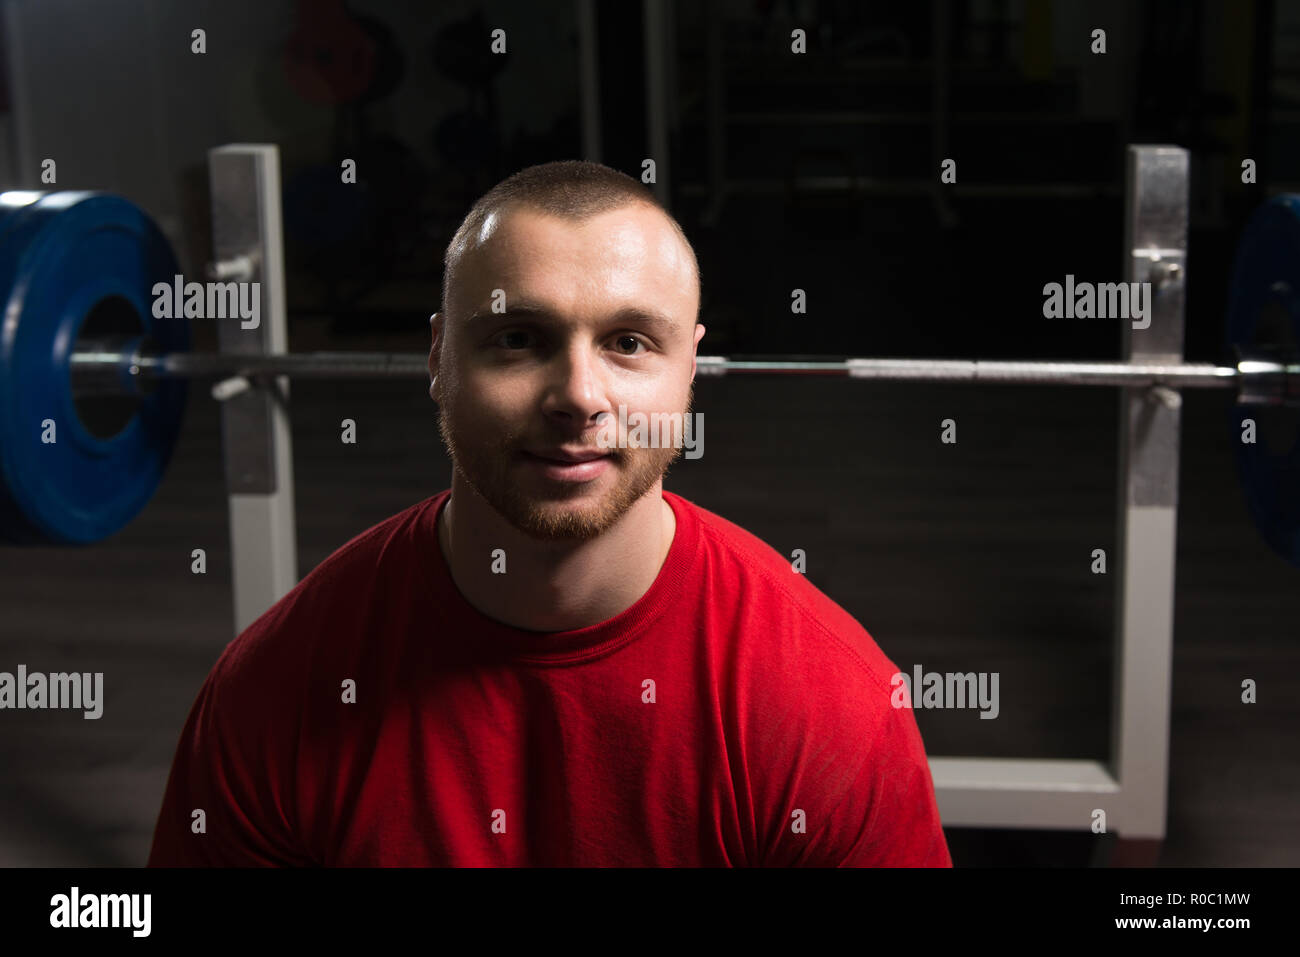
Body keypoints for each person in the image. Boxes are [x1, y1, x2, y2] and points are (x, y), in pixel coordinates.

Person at [147, 160, 951, 867]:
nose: (577, 396)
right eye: (519, 338)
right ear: (439, 360)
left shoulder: (831, 708)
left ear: (690, 373)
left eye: (629, 342)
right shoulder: (274, 690)